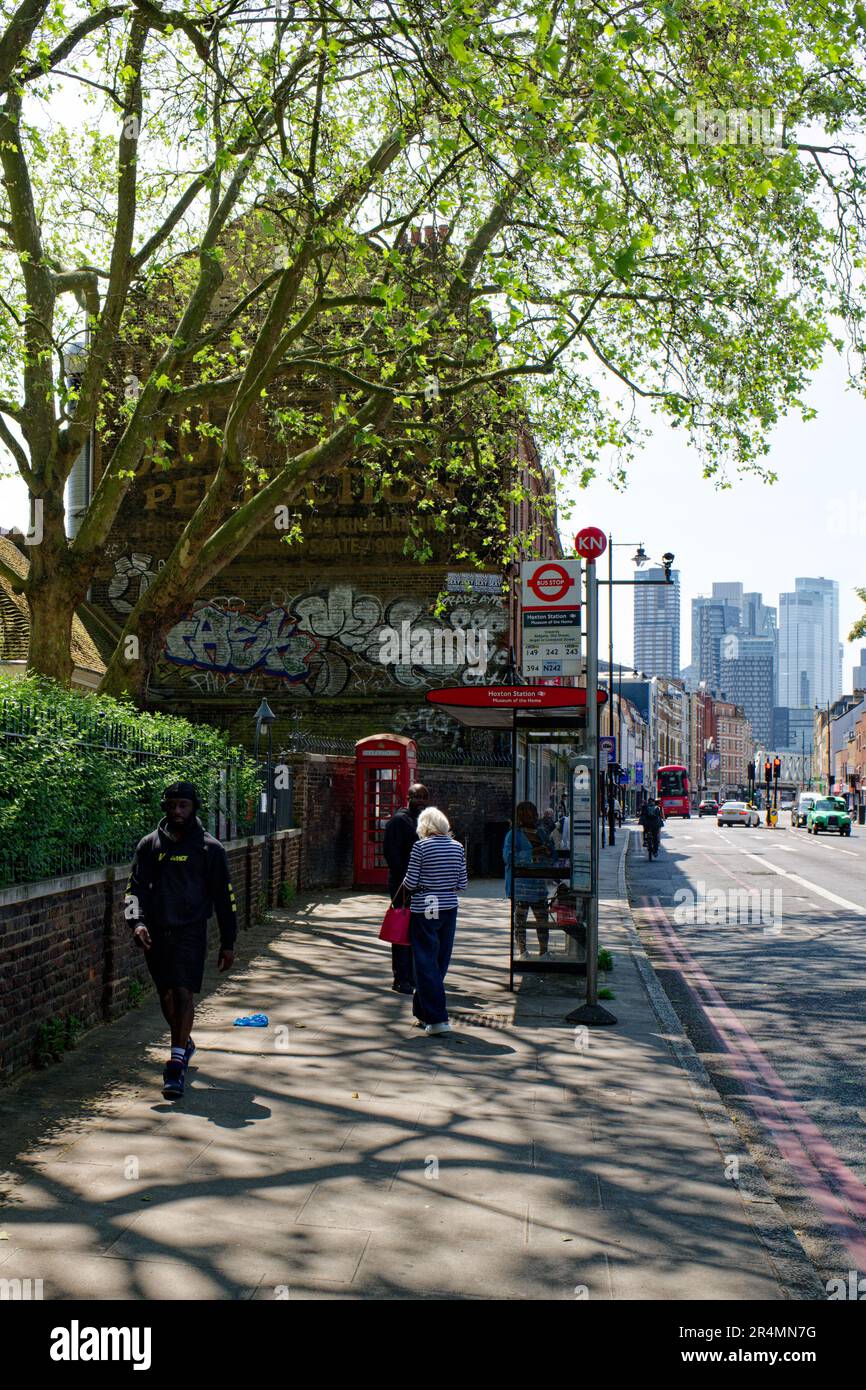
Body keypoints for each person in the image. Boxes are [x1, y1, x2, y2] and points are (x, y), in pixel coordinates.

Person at [126, 781, 237, 1099]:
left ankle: (175, 1066)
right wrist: (136, 923)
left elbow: (225, 898)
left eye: (183, 806)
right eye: (172, 805)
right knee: (166, 996)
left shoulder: (209, 849)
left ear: (194, 808)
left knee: (184, 993)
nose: (177, 811)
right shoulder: (149, 845)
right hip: (156, 932)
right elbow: (134, 888)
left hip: (191, 931)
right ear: (165, 807)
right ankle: (183, 1041)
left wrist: (228, 942)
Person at [402, 807, 468, 1035]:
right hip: (448, 907)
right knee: (440, 959)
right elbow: (462, 884)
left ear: (425, 826)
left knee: (424, 960)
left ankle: (437, 1018)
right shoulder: (457, 847)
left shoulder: (421, 847)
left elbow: (410, 882)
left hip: (426, 906)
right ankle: (423, 1011)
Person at [382, 783, 429, 993]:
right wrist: (407, 881)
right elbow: (392, 856)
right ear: (408, 797)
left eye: (424, 797)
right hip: (403, 885)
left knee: (416, 932)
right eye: (416, 796)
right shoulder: (399, 821)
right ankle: (400, 978)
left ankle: (411, 975)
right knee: (401, 931)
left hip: (421, 887)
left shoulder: (422, 821)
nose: (420, 801)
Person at [503, 801, 553, 960]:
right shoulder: (513, 835)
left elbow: (553, 855)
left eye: (532, 814)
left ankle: (544, 951)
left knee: (542, 921)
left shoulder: (542, 833)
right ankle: (522, 951)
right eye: (526, 815)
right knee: (520, 922)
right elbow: (509, 858)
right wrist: (533, 852)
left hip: (538, 884)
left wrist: (548, 852)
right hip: (521, 886)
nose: (530, 817)